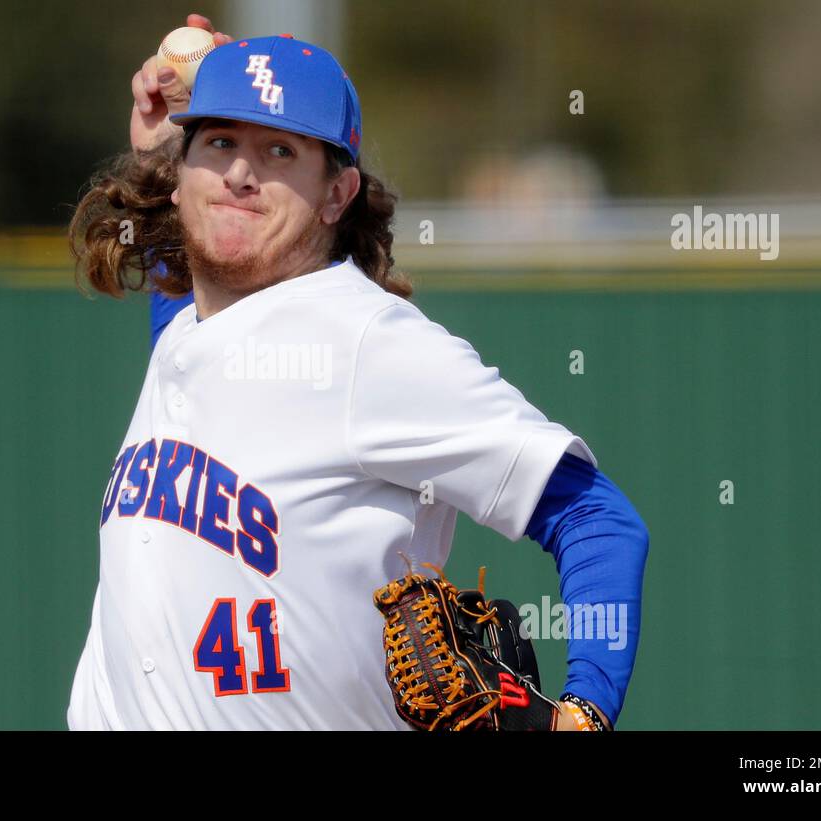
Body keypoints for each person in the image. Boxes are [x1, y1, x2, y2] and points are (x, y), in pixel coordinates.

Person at [65, 14, 649, 730]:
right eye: (220, 143)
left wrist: (586, 710)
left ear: (337, 195)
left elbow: (598, 518)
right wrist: (158, 145)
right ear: (182, 174)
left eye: (279, 150)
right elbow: (192, 308)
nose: (240, 174)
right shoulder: (188, 335)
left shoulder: (368, 343)